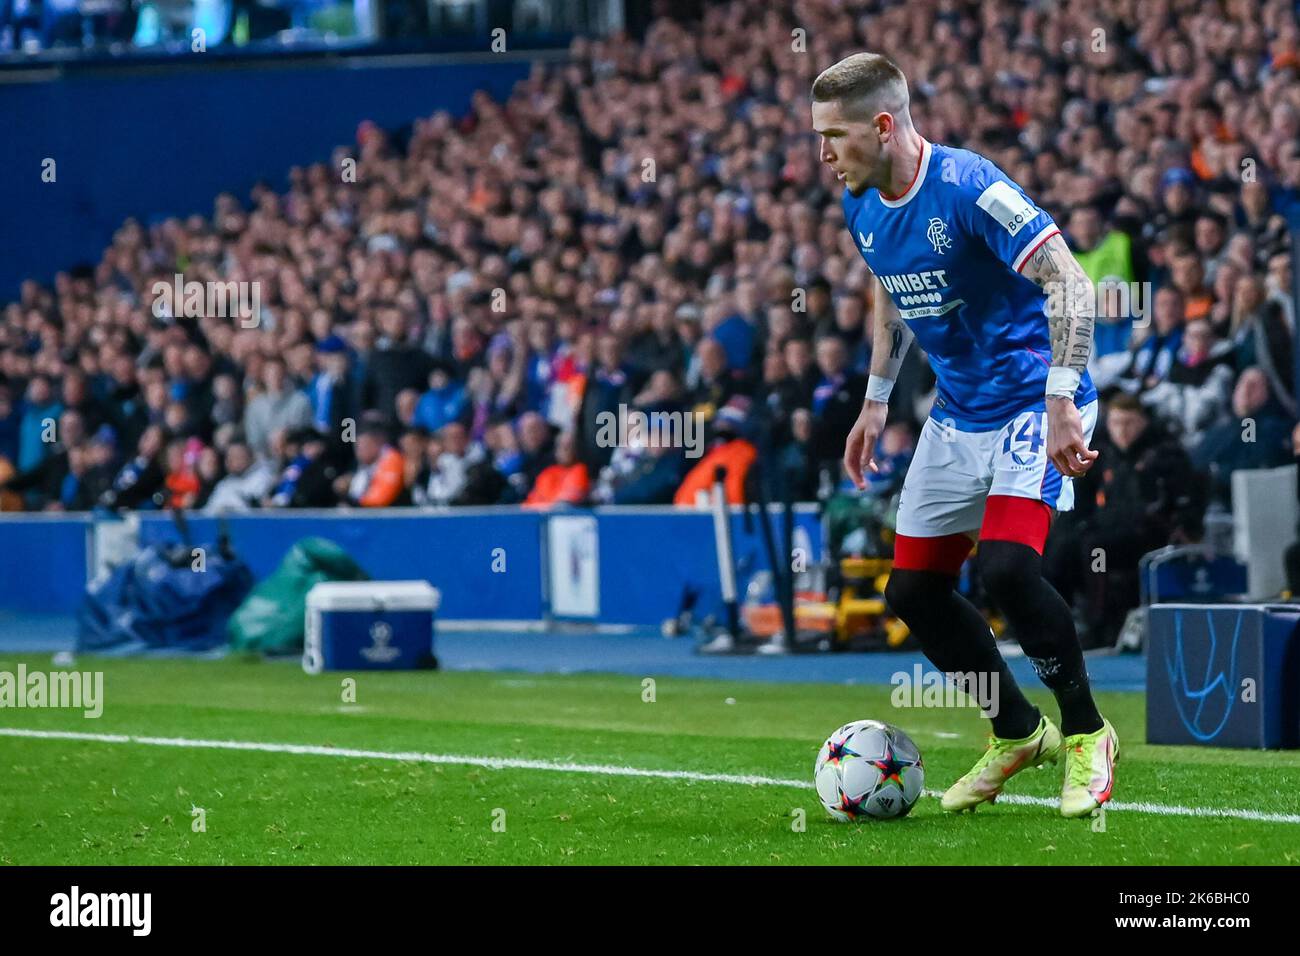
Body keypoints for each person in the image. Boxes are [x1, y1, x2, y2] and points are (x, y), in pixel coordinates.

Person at [814, 52, 1115, 818]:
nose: (822, 154)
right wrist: (877, 399)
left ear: (884, 126)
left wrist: (1059, 400)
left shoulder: (970, 186)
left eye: (834, 136)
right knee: (912, 588)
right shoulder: (860, 200)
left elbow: (1071, 282)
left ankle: (1086, 733)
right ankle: (1016, 730)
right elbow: (891, 286)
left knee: (1009, 571)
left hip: (1032, 402)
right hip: (958, 412)